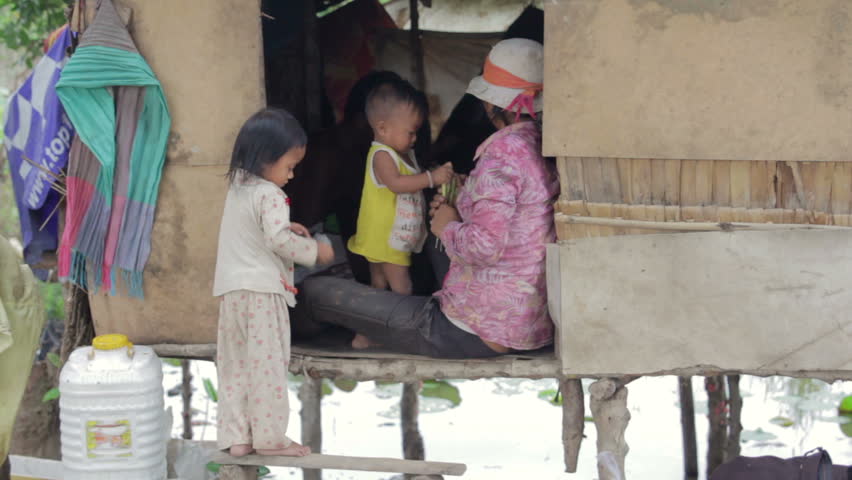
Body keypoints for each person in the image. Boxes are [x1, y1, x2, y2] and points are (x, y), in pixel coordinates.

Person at [294, 38, 558, 358]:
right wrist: (462, 201)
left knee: (315, 291)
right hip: (526, 325)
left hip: (475, 328)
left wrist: (447, 225)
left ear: (491, 103)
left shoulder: (500, 157)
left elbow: (484, 247)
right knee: (430, 231)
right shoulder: (540, 147)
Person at [212, 108, 335, 457]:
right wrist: (315, 251)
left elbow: (256, 228)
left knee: (235, 365)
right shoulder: (271, 194)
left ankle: (237, 437)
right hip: (263, 294)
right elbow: (277, 240)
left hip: (232, 292)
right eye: (289, 166)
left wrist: (285, 227)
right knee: (267, 366)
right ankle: (270, 438)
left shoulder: (237, 186)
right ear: (266, 158)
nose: (292, 175)